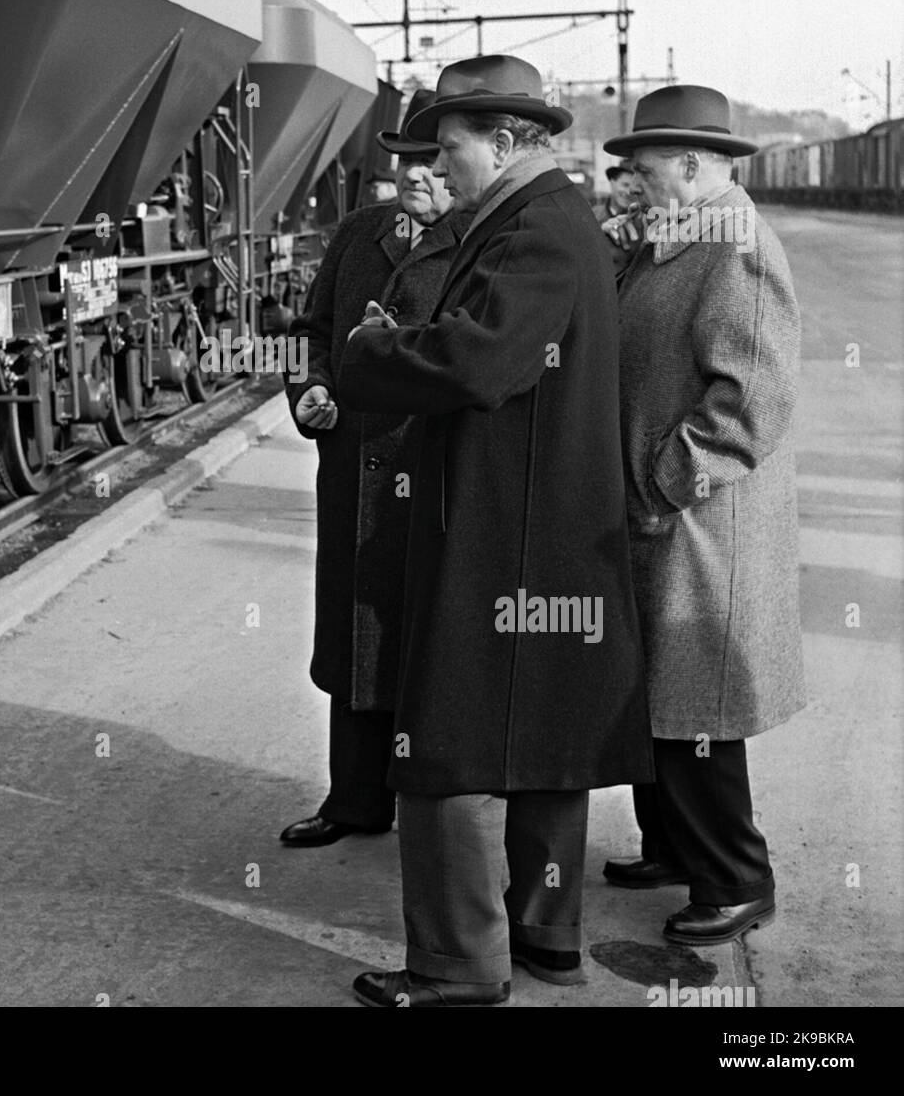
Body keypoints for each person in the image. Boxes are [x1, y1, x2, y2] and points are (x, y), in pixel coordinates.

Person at [337, 56, 653, 1007]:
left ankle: (457, 967)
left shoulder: (538, 232)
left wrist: (370, 353)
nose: (439, 165)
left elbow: (477, 363)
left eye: (451, 147)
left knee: (445, 745)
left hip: (506, 530)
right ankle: (545, 934)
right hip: (535, 524)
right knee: (544, 738)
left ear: (504, 143)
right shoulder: (544, 223)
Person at [600, 85, 805, 945]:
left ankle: (735, 878)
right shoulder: (675, 237)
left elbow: (751, 400)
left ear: (692, 164)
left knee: (701, 709)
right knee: (662, 699)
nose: (630, 184)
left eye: (642, 170)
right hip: (669, 516)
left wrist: (660, 483)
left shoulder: (738, 247)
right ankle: (673, 847)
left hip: (698, 518)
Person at [281, 89, 472, 847]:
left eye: (431, 162)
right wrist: (312, 393)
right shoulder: (359, 233)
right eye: (405, 162)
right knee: (354, 636)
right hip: (353, 470)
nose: (416, 177)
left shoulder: (479, 244)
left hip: (434, 478)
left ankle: (436, 821)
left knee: (424, 641)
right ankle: (353, 800)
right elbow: (308, 333)